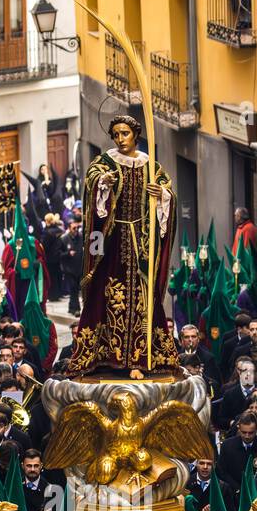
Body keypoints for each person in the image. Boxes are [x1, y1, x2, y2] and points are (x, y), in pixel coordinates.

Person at [67, 114, 178, 376]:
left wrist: (162, 196)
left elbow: (168, 193)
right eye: (116, 134)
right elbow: (92, 182)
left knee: (142, 299)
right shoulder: (104, 161)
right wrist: (102, 185)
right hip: (111, 241)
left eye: (125, 133)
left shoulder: (151, 166)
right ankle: (101, 354)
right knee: (105, 296)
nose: (120, 139)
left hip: (141, 242)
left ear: (135, 135)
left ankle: (140, 358)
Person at [59, 215, 84, 318]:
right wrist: (68, 254)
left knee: (77, 289)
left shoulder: (81, 237)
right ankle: (76, 309)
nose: (76, 230)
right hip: (69, 269)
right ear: (69, 228)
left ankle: (71, 307)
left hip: (79, 268)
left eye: (77, 228)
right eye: (74, 228)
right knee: (73, 289)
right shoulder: (63, 239)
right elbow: (58, 254)